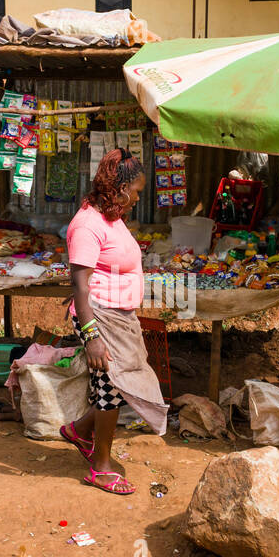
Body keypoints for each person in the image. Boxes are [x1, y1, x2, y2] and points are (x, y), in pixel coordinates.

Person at [58, 148, 168, 495]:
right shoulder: (87, 225)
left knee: (116, 384)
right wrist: (92, 337)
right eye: (135, 190)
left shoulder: (109, 216)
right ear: (118, 188)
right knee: (109, 390)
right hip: (98, 317)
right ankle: (100, 467)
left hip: (117, 316)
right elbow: (79, 284)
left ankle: (78, 431)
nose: (137, 197)